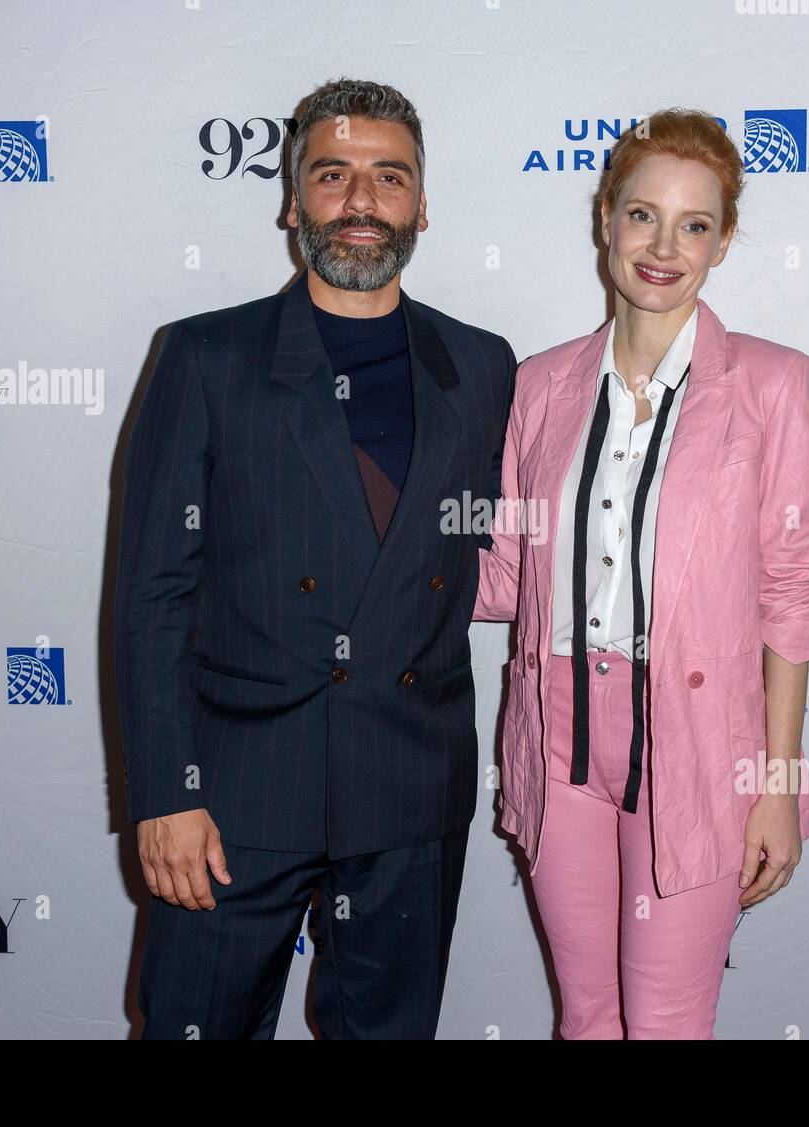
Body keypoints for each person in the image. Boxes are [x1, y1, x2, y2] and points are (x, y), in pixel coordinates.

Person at [115, 77, 516, 1039]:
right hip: (235, 791)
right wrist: (166, 793)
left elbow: (502, 551)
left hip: (410, 788)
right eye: (333, 175)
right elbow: (152, 597)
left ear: (423, 203)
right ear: (293, 200)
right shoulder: (206, 356)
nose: (362, 201)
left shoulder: (484, 365)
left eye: (389, 177)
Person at [473, 108, 809, 1039]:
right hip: (556, 741)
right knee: (587, 1016)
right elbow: (508, 573)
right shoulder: (538, 383)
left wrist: (775, 783)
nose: (663, 246)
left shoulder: (772, 384)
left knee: (670, 1021)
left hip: (699, 749)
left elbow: (790, 599)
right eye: (643, 215)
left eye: (695, 224)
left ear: (722, 242)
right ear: (606, 219)